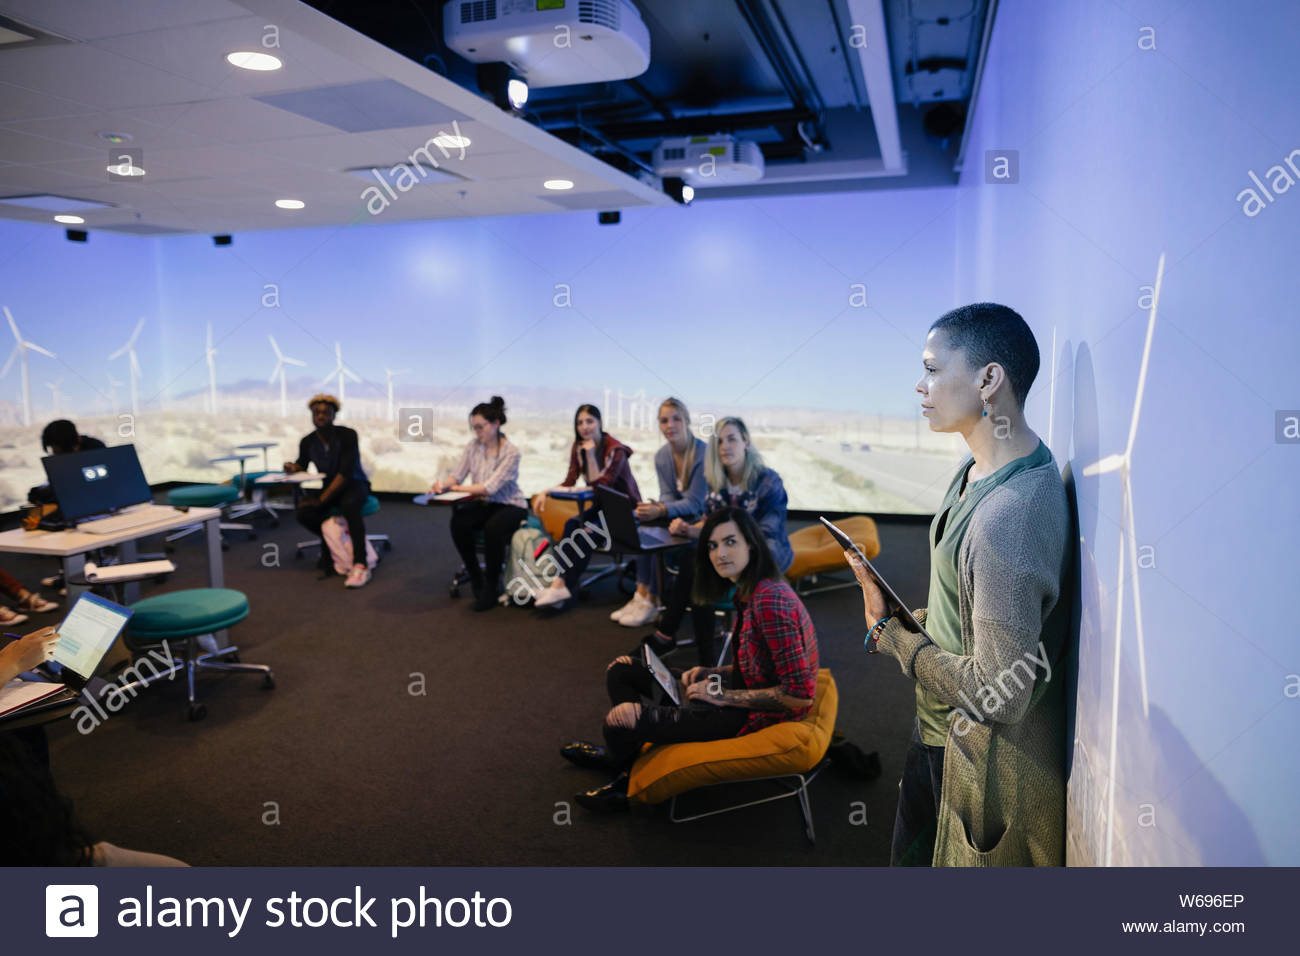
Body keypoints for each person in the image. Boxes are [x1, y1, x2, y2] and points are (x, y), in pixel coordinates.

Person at [846, 303, 1071, 867]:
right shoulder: (978, 472)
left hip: (961, 752)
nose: (920, 386)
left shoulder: (1009, 520)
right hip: (939, 732)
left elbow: (1001, 691)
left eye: (931, 369)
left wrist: (891, 634)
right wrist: (914, 619)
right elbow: (970, 611)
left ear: (989, 379)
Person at [561, 507, 819, 813]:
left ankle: (623, 777)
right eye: (712, 545)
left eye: (730, 542)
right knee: (621, 669)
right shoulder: (750, 591)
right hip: (735, 696)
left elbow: (800, 695)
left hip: (747, 719)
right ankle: (623, 764)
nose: (720, 553)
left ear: (751, 543)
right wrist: (712, 672)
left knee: (622, 719)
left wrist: (724, 696)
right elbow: (759, 666)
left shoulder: (771, 602)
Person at [640, 417, 792, 665]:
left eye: (732, 439)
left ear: (746, 443)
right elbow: (711, 524)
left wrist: (718, 540)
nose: (725, 446)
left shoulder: (768, 482)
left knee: (700, 565)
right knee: (697, 563)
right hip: (731, 550)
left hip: (767, 555)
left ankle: (673, 639)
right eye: (719, 441)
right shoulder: (717, 481)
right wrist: (690, 529)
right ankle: (700, 657)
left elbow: (766, 537)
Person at [609, 397, 707, 627]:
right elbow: (668, 495)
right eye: (664, 420)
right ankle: (641, 594)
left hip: (700, 521)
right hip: (677, 515)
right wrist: (657, 508)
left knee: (657, 528)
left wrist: (661, 509)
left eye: (676, 419)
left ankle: (653, 600)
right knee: (645, 526)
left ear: (687, 421)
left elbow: (695, 502)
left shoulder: (703, 454)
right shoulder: (662, 456)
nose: (670, 425)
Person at [533, 404, 640, 611]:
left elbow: (602, 486)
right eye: (580, 422)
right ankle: (560, 587)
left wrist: (590, 457)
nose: (584, 427)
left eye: (590, 421)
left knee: (585, 534)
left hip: (625, 511)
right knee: (572, 524)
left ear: (600, 423)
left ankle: (561, 587)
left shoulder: (615, 450)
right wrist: (546, 491)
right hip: (603, 507)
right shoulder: (579, 447)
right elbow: (570, 480)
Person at [429, 396, 527, 612]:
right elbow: (458, 474)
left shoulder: (511, 451)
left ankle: (491, 587)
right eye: (474, 428)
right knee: (459, 523)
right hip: (484, 503)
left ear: (496, 424)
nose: (477, 433)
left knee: (494, 529)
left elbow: (489, 488)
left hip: (510, 505)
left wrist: (455, 489)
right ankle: (475, 576)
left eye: (481, 427)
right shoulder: (473, 446)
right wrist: (443, 485)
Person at [285, 394, 373, 589]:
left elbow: (345, 473)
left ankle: (361, 563)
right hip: (329, 489)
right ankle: (333, 542)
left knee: (349, 505)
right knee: (303, 513)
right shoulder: (307, 441)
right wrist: (293, 467)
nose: (321, 416)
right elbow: (303, 464)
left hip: (354, 485)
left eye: (325, 412)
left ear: (334, 415)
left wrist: (322, 500)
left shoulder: (348, 435)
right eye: (316, 413)